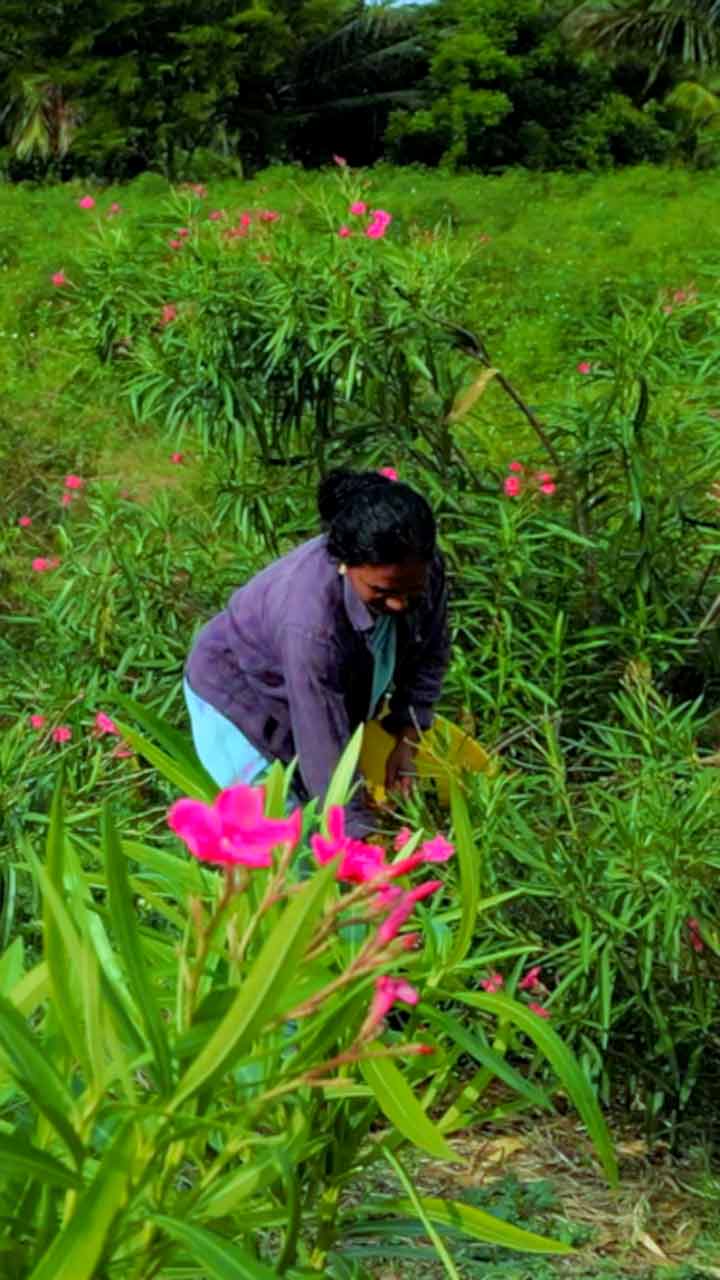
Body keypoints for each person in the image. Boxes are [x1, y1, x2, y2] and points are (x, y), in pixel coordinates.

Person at [184, 467, 449, 833]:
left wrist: (407, 739)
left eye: (412, 593)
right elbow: (323, 741)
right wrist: (357, 834)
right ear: (345, 565)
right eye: (383, 593)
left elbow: (430, 655)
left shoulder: (423, 570)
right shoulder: (310, 624)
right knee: (288, 848)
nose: (401, 605)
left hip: (317, 697)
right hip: (240, 701)